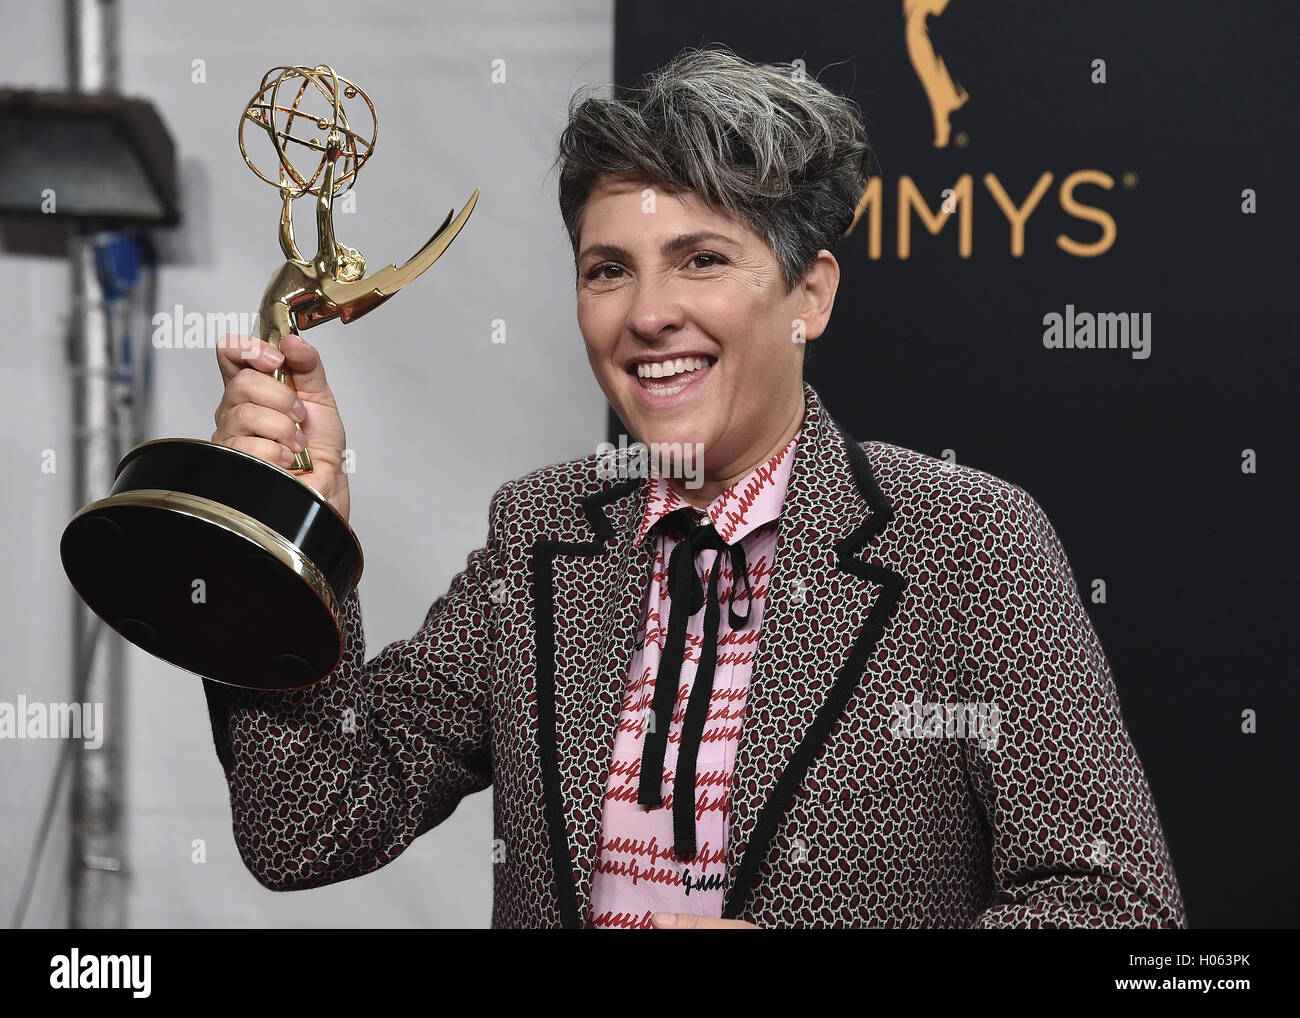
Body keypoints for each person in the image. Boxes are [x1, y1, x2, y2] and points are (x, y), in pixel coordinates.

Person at [202, 44, 1186, 929]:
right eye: (606, 271)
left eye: (701, 260)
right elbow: (309, 826)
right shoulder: (540, 530)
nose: (648, 314)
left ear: (810, 295)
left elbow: (1115, 906)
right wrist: (288, 538)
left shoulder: (966, 540)